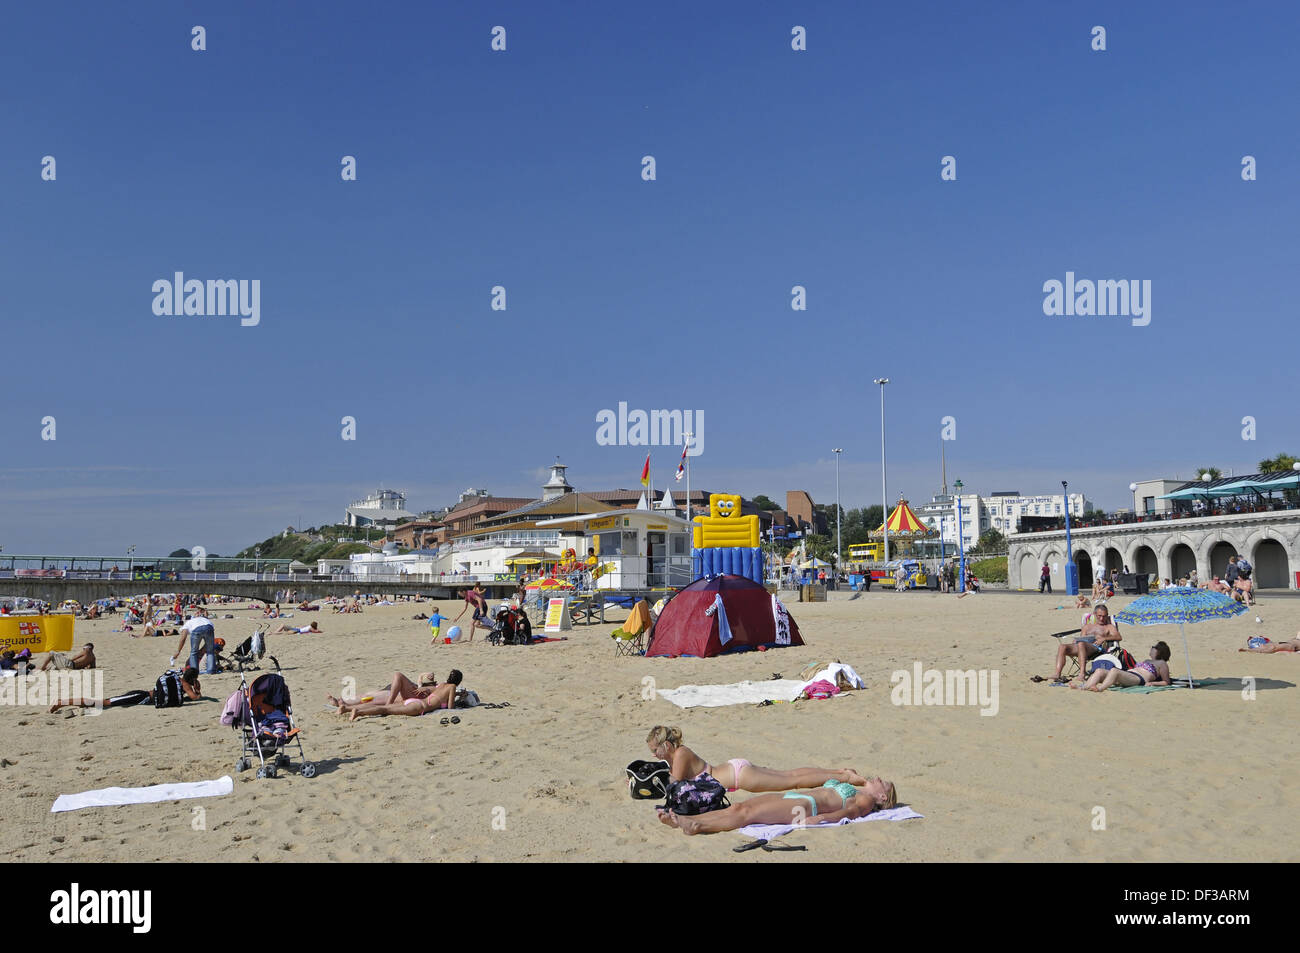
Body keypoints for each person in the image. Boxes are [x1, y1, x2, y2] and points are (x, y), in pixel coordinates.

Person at [645, 726, 871, 794]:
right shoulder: (678, 754)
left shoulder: (680, 755)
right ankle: (840, 772)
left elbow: (672, 784)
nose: (654, 755)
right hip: (736, 769)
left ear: (666, 746)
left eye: (656, 750)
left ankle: (844, 776)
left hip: (738, 777)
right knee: (790, 775)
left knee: (792, 781)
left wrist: (643, 785)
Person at [657, 778, 897, 835]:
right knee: (740, 806)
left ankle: (697, 825)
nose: (876, 778)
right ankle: (681, 819)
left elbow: (849, 813)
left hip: (807, 806)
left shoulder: (865, 800)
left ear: (883, 797)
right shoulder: (858, 787)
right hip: (796, 797)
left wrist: (821, 820)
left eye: (881, 783)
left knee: (747, 814)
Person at [49, 667, 203, 711]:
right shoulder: (185, 684)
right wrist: (198, 690)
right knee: (104, 702)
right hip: (141, 697)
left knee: (105, 702)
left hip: (143, 694)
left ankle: (66, 702)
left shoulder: (176, 678)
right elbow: (195, 698)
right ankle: (63, 702)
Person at [333, 670, 463, 720]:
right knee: (385, 709)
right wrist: (458, 699)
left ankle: (346, 709)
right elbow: (450, 707)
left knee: (387, 707)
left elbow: (431, 690)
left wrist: (423, 689)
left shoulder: (441, 685)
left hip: (413, 700)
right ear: (458, 682)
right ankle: (358, 713)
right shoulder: (451, 687)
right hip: (419, 707)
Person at [1051, 603, 1121, 681]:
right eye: (1099, 616)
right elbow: (1081, 638)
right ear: (1094, 614)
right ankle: (1057, 673)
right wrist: (1076, 641)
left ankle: (1082, 673)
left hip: (1096, 648)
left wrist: (1104, 638)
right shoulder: (1087, 627)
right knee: (1062, 646)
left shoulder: (1109, 627)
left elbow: (1118, 637)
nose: (1101, 619)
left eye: (1104, 616)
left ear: (1107, 615)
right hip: (1082, 647)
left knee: (1081, 644)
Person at [1072, 641, 1171, 691]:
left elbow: (1166, 682)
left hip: (1139, 679)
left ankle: (1100, 689)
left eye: (1154, 647)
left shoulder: (1162, 663)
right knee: (1099, 671)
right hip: (1129, 674)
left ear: (1159, 651)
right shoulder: (1147, 660)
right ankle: (1083, 688)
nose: (1152, 648)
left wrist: (1153, 684)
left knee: (1115, 671)